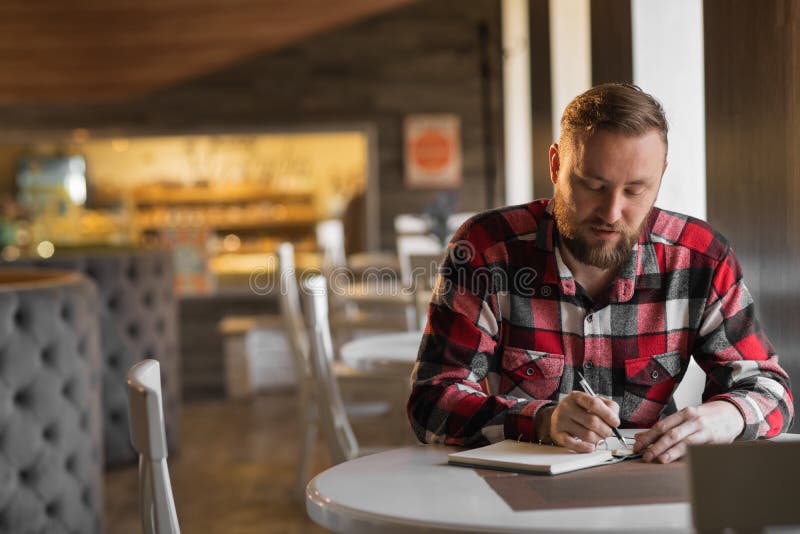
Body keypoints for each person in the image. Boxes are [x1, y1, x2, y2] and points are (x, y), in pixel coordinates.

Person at [407, 83, 794, 464]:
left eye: (635, 190)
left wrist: (723, 417)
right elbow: (432, 400)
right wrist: (541, 421)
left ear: (661, 176)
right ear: (556, 166)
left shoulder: (701, 258)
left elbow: (770, 390)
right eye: (593, 186)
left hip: (652, 486)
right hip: (515, 492)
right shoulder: (487, 248)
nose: (611, 213)